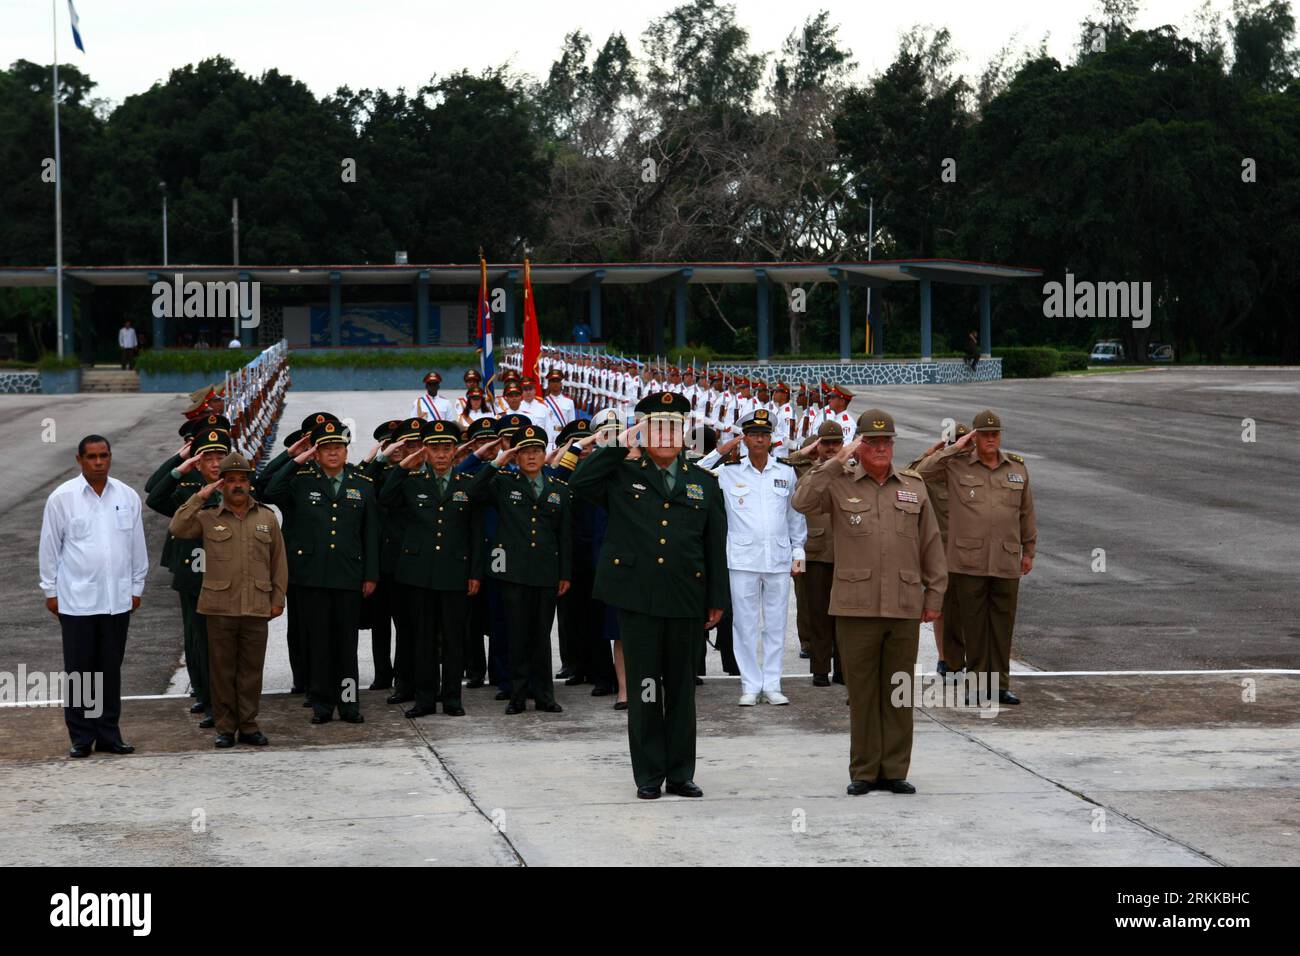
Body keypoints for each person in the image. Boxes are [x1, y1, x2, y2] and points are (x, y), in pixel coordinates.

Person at [568, 393, 727, 800]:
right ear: (643, 430)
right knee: (644, 688)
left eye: (673, 427)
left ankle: (680, 773)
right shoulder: (621, 473)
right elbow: (578, 482)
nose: (665, 435)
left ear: (685, 433)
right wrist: (623, 440)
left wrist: (716, 598)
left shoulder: (703, 481)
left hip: (685, 598)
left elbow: (714, 545)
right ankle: (648, 775)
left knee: (680, 690)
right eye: (657, 426)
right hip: (637, 597)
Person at [792, 410, 946, 795]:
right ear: (858, 445)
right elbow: (802, 501)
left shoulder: (912, 485)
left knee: (898, 688)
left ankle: (894, 769)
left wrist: (936, 593)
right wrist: (836, 460)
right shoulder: (838, 483)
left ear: (893, 445)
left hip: (903, 603)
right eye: (870, 442)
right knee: (861, 692)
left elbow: (931, 544)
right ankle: (864, 769)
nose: (879, 448)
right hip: (856, 606)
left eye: (885, 442)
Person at [263, 418, 379, 724]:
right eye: (326, 447)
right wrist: (293, 456)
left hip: (348, 576)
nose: (333, 453)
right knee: (319, 644)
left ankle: (349, 703)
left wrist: (370, 574)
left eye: (338, 447)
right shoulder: (300, 482)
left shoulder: (362, 484)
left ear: (345, 450)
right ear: (317, 451)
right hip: (311, 577)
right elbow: (266, 487)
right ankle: (322, 704)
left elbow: (370, 534)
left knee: (347, 645)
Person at [916, 410, 1036, 705]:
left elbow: (1026, 512)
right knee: (975, 627)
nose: (991, 438)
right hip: (968, 562)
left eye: (995, 433)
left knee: (1002, 626)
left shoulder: (1017, 469)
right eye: (984, 434)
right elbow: (920, 472)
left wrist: (1028, 550)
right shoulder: (957, 465)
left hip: (1006, 560)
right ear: (975, 436)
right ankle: (980, 685)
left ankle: (1000, 685)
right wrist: (955, 447)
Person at [39, 435, 148, 758]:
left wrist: (136, 587)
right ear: (79, 459)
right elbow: (49, 547)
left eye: (103, 456)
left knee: (109, 669)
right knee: (81, 670)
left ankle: (109, 734)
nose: (98, 462)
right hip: (77, 600)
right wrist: (50, 590)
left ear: (110, 457)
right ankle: (82, 736)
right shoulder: (63, 498)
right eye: (91, 457)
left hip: (117, 600)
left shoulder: (127, 496)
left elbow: (136, 547)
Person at [168, 453, 288, 747]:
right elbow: (178, 528)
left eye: (242, 480)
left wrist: (278, 598)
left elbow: (279, 562)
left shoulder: (267, 517)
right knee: (221, 671)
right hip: (220, 607)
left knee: (250, 671)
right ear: (221, 485)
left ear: (249, 483)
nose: (237, 486)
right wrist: (200, 495)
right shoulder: (208, 517)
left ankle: (248, 725)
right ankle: (225, 728)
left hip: (256, 605)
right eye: (230, 480)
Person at [696, 410, 807, 706]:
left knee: (775, 624)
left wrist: (799, 551)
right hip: (742, 559)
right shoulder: (729, 471)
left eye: (764, 434)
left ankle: (772, 683)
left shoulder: (784, 472)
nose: (759, 439)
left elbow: (794, 516)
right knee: (744, 625)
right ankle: (750, 684)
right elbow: (695, 470)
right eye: (753, 434)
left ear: (771, 440)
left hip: (778, 559)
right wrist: (722, 449)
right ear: (744, 438)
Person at [464, 425, 572, 715]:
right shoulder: (504, 482)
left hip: (546, 573)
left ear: (544, 453)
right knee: (516, 634)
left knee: (541, 636)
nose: (532, 457)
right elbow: (470, 491)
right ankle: (517, 694)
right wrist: (499, 461)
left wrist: (565, 573)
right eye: (525, 452)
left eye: (537, 451)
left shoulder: (558, 488)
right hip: (512, 572)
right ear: (517, 456)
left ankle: (545, 695)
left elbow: (564, 535)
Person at [381, 420, 484, 718]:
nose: (440, 454)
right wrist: (404, 466)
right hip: (419, 573)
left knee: (453, 639)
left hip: (454, 572)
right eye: (435, 448)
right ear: (426, 451)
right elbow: (385, 498)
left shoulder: (466, 484)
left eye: (446, 448)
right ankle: (425, 699)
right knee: (422, 639)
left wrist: (476, 573)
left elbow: (475, 533)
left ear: (455, 451)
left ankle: (452, 698)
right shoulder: (412, 481)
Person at [145, 422, 233, 728]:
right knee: (201, 641)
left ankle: (229, 699)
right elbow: (154, 496)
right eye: (206, 458)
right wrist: (180, 467)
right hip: (195, 577)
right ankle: (208, 699)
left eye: (219, 457)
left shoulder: (237, 486)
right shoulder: (186, 488)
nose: (213, 463)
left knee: (229, 642)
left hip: (229, 577)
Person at [786, 422, 847, 686]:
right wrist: (804, 452)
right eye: (826, 443)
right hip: (814, 550)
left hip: (846, 553)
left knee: (844, 616)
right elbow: (781, 462)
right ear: (818, 445)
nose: (832, 448)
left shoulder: (850, 469)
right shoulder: (802, 469)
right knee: (817, 614)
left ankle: (843, 670)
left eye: (836, 443)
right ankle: (820, 669)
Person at [909, 421, 970, 675]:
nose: (961, 450)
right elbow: (910, 475)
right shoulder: (933, 474)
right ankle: (946, 658)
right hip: (943, 554)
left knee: (969, 609)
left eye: (965, 446)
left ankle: (968, 658)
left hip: (972, 555)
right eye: (955, 444)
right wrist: (929, 454)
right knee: (944, 609)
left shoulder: (975, 474)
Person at [541, 369, 576, 447]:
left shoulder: (569, 402)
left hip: (563, 436)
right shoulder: (543, 402)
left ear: (561, 384)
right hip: (548, 437)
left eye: (557, 381)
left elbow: (572, 423)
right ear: (549, 384)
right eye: (553, 381)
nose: (555, 384)